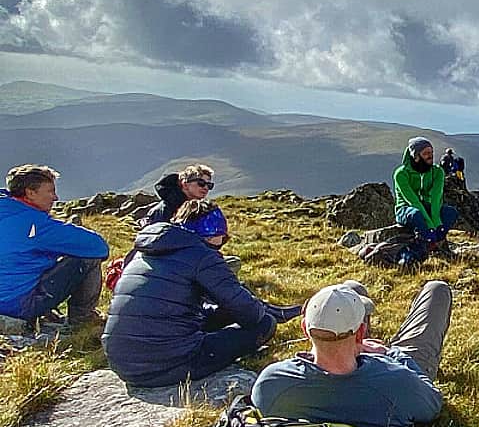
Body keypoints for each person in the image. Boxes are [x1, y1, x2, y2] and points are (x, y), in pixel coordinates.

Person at [103, 200, 283, 387]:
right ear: (215, 234)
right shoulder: (203, 255)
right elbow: (250, 314)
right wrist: (256, 309)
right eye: (223, 237)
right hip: (168, 365)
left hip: (120, 362)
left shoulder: (143, 251)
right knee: (265, 324)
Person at [251, 281, 448, 427]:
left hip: (357, 362)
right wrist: (391, 353)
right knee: (437, 290)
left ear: (304, 329)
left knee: (352, 287)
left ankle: (348, 309)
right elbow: (433, 403)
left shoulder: (271, 382)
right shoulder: (400, 383)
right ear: (361, 332)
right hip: (387, 372)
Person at [0, 165, 109, 327]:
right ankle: (82, 319)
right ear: (30, 193)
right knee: (88, 258)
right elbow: (99, 247)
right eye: (50, 191)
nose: (55, 197)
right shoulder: (37, 225)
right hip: (16, 305)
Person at [394, 137, 458, 245]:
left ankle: (436, 241)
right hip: (406, 209)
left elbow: (436, 198)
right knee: (416, 214)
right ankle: (422, 245)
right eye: (426, 153)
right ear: (415, 156)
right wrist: (430, 225)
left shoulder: (437, 172)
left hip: (427, 206)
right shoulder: (401, 174)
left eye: (431, 152)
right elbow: (412, 201)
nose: (430, 156)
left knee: (450, 212)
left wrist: (437, 223)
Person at [143, 164, 215, 226]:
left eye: (209, 185)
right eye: (201, 183)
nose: (206, 188)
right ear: (185, 184)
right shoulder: (164, 210)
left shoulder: (202, 210)